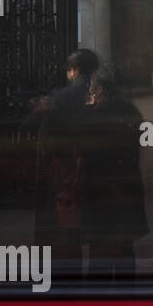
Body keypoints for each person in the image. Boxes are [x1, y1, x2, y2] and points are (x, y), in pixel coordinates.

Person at [34, 48, 101, 280]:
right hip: (96, 173)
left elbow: (49, 142)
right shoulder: (104, 97)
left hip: (66, 173)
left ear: (76, 70)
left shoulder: (61, 98)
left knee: (67, 228)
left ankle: (67, 279)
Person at [77, 65, 149, 280]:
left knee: (99, 249)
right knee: (125, 247)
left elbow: (81, 151)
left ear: (99, 90)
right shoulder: (131, 111)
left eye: (92, 86)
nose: (90, 89)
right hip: (127, 185)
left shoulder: (91, 117)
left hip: (99, 190)